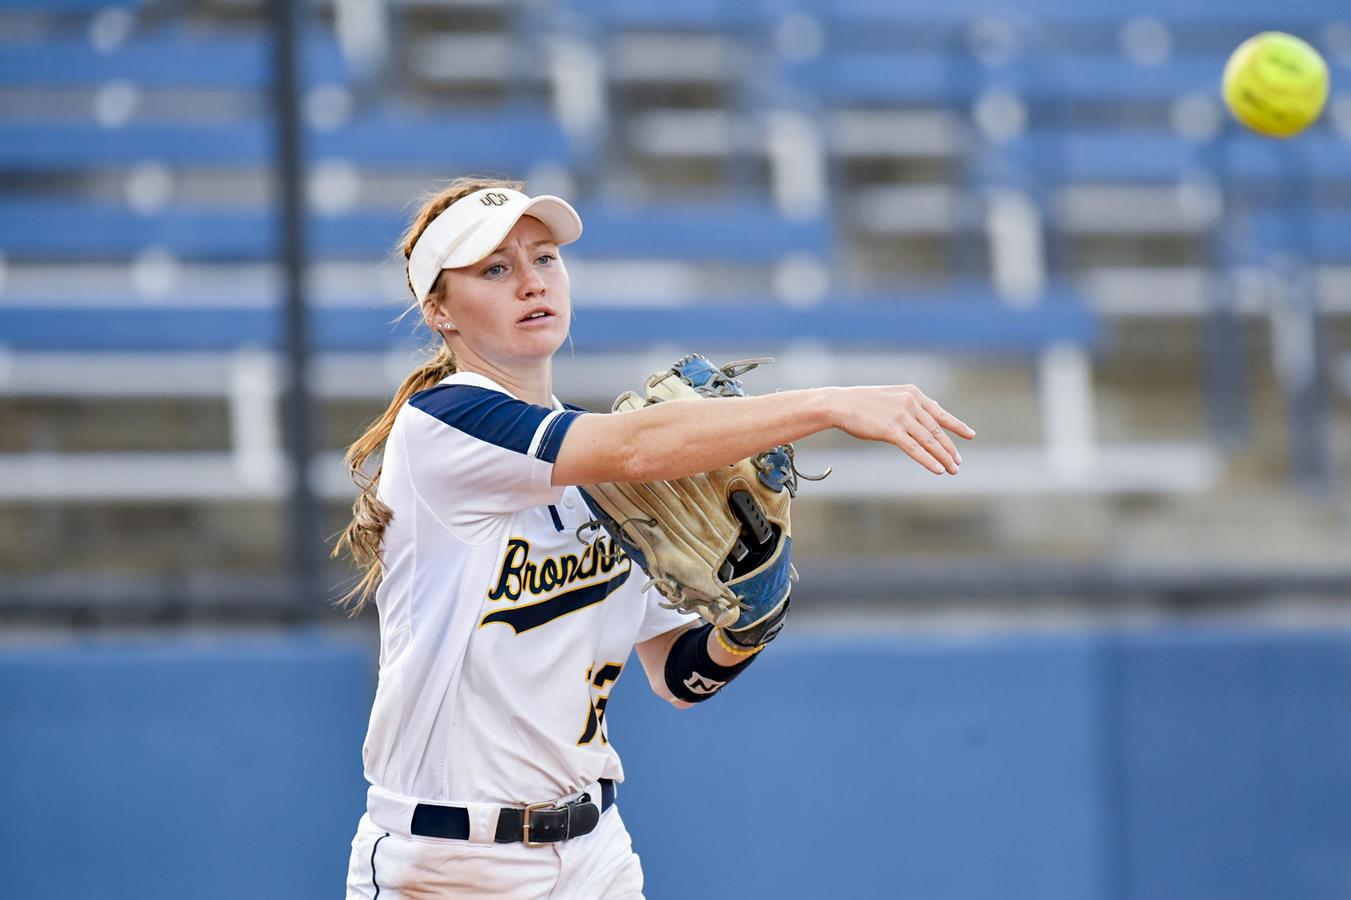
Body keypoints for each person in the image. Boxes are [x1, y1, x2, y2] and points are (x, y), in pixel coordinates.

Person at [336, 177, 974, 899]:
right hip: (452, 864)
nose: (530, 282)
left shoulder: (597, 469)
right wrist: (827, 401)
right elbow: (635, 448)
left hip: (595, 857)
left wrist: (750, 625)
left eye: (544, 258)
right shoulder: (444, 426)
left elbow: (676, 676)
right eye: (494, 269)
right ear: (439, 312)